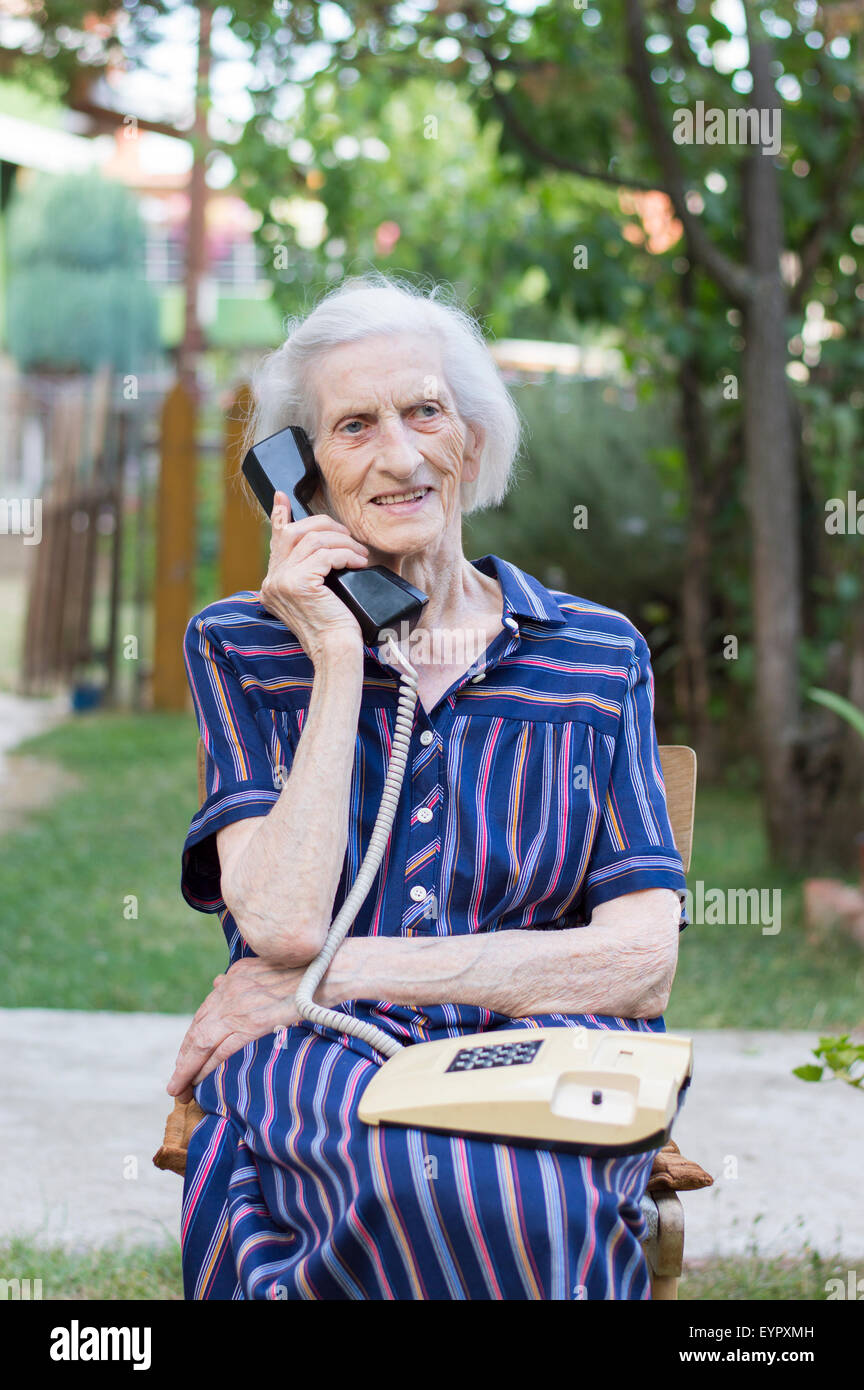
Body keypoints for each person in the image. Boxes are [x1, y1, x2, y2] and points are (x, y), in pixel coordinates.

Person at [168, 273, 688, 1301]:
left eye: (425, 412)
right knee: (399, 1173)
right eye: (354, 426)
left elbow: (638, 965)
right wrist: (339, 658)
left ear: (474, 442)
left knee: (527, 1197)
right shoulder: (239, 647)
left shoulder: (595, 653)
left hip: (534, 1039)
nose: (400, 456)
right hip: (316, 1055)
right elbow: (276, 924)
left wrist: (347, 974)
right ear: (298, 480)